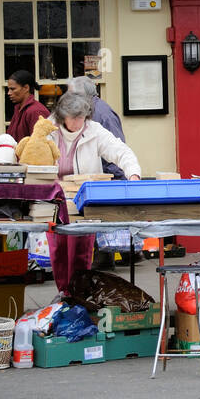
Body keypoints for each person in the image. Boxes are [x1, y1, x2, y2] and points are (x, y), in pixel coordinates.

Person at [48, 92, 142, 293]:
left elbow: (120, 151)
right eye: (74, 117)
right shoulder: (49, 130)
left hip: (84, 201)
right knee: (58, 251)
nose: (78, 122)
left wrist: (133, 174)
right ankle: (64, 293)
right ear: (62, 116)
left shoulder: (95, 130)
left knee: (82, 250)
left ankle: (79, 294)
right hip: (56, 200)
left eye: (82, 117)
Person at [67, 76, 125, 177]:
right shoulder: (90, 110)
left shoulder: (102, 114)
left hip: (106, 181)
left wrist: (114, 181)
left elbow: (116, 150)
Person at [6, 70, 51, 142]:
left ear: (26, 88)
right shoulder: (19, 109)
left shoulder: (36, 111)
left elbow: (40, 145)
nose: (9, 93)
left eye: (13, 89)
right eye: (8, 89)